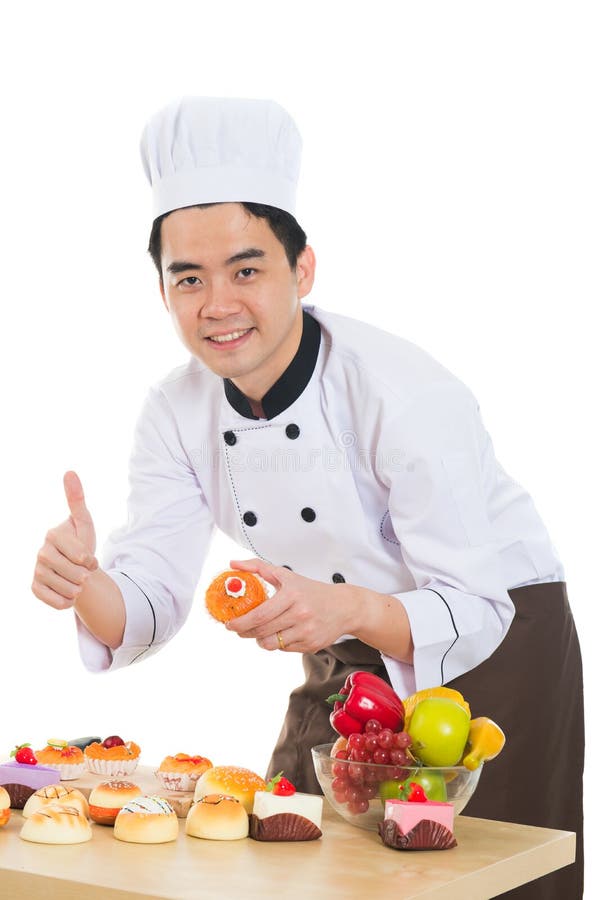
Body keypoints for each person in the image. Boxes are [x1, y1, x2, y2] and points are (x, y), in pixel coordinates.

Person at [32, 97, 583, 899]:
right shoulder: (174, 411)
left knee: (485, 882)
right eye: (188, 277)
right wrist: (84, 586)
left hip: (492, 644)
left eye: (246, 269)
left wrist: (348, 611)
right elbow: (145, 599)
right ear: (162, 291)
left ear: (302, 269)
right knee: (287, 855)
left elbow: (474, 600)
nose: (216, 304)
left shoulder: (401, 393)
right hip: (346, 643)